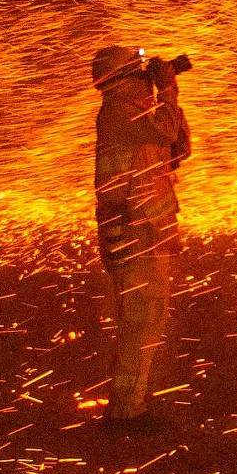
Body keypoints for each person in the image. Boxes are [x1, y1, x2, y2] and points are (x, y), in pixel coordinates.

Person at [90, 45, 191, 429]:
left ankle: (131, 405)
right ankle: (124, 413)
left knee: (149, 320)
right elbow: (164, 129)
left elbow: (179, 146)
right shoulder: (118, 113)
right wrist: (167, 91)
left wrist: (170, 94)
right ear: (124, 79)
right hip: (132, 234)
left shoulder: (139, 115)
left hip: (150, 233)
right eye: (141, 75)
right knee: (137, 322)